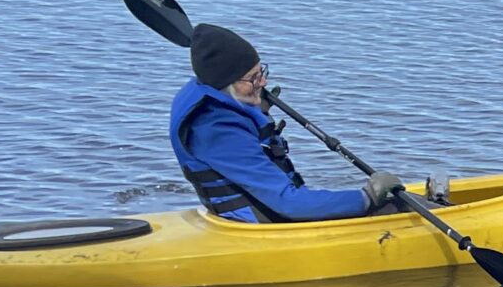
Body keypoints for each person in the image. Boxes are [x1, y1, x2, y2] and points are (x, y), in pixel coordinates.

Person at [169, 25, 404, 221]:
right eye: (253, 78)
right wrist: (367, 197)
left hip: (262, 208)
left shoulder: (209, 91)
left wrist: (253, 108)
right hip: (262, 221)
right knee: (401, 211)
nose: (262, 82)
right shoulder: (217, 130)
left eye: (261, 72)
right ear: (226, 84)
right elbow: (290, 204)